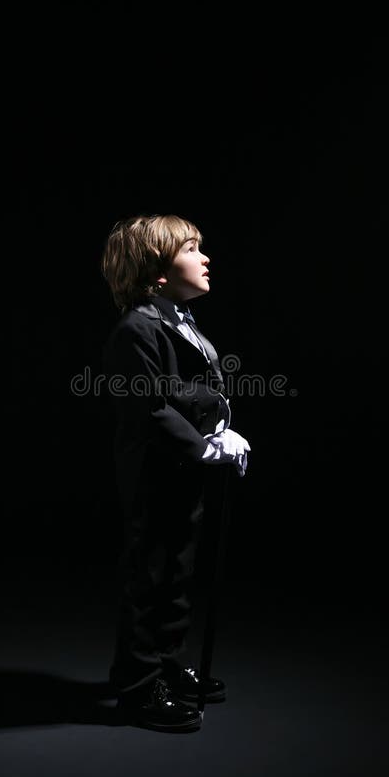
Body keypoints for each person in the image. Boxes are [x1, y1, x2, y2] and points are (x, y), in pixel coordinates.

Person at [100, 213, 251, 732]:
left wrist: (218, 428)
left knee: (178, 571)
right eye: (192, 249)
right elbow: (151, 407)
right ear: (157, 272)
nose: (205, 257)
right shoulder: (136, 329)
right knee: (151, 573)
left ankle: (165, 663)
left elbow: (191, 391)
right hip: (154, 471)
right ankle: (138, 686)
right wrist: (203, 446)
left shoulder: (178, 320)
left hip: (181, 467)